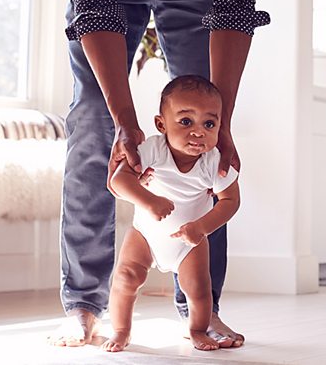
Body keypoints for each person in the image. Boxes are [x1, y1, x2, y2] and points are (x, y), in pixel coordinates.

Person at [48, 0, 267, 348]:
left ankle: (201, 310)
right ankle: (82, 303)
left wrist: (224, 123)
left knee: (204, 138)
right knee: (94, 125)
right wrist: (125, 123)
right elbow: (93, 1)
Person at [102, 75, 240, 352]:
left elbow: (230, 202)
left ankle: (198, 330)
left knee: (199, 289)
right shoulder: (153, 148)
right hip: (146, 234)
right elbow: (119, 180)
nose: (198, 131)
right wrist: (149, 200)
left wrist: (201, 227)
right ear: (161, 124)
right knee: (126, 277)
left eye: (209, 123)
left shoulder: (215, 162)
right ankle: (120, 330)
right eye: (186, 121)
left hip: (189, 240)